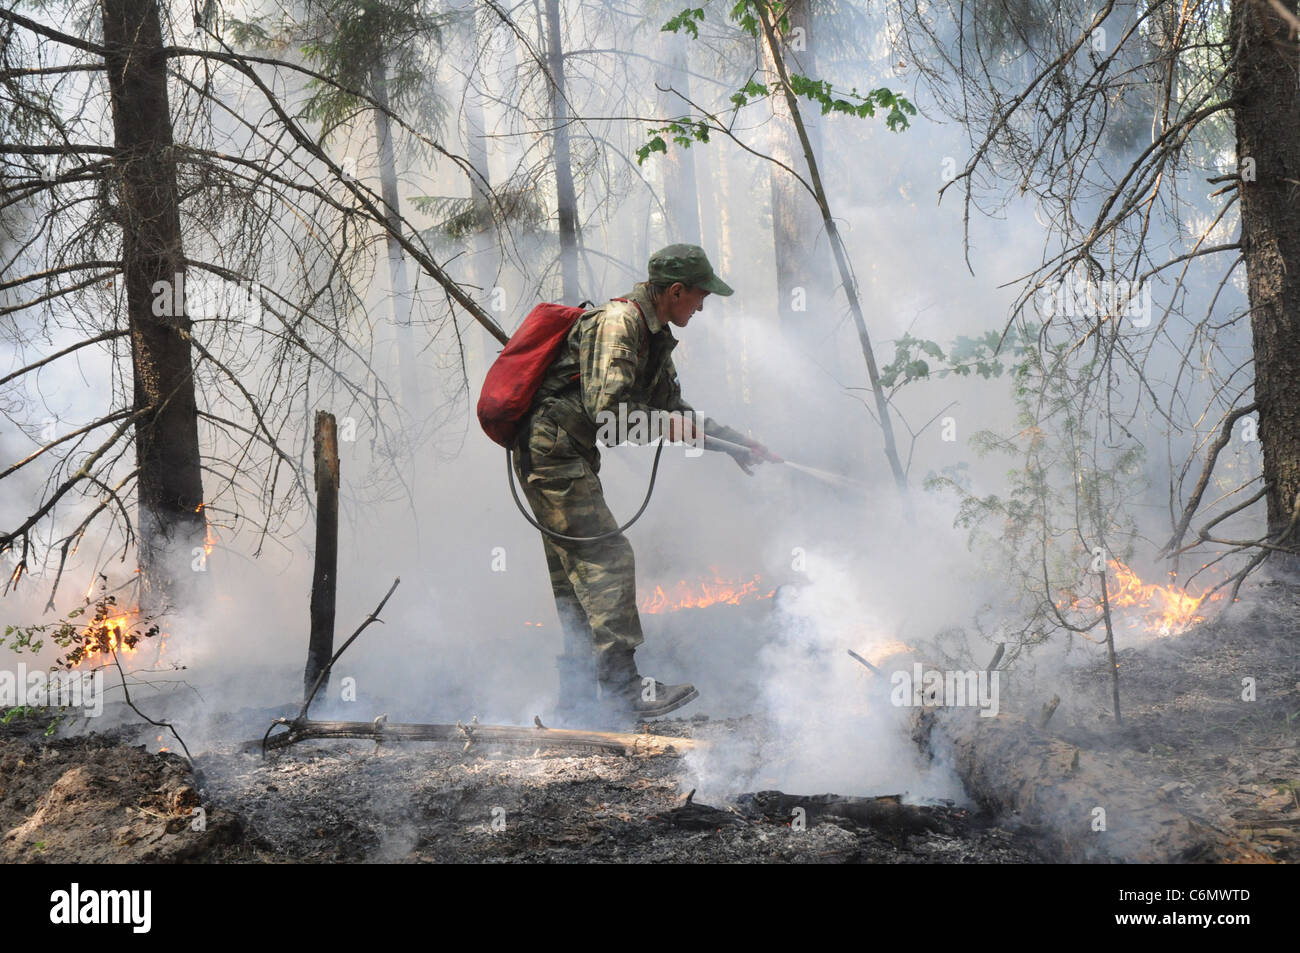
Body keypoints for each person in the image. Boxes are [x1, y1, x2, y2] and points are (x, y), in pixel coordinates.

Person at [513, 244, 780, 722]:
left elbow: (673, 411)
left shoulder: (654, 335)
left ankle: (575, 698)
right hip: (552, 452)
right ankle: (623, 690)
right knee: (607, 557)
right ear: (675, 291)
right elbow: (609, 412)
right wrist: (662, 425)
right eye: (699, 296)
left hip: (563, 453)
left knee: (574, 575)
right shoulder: (621, 324)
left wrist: (737, 445)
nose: (701, 306)